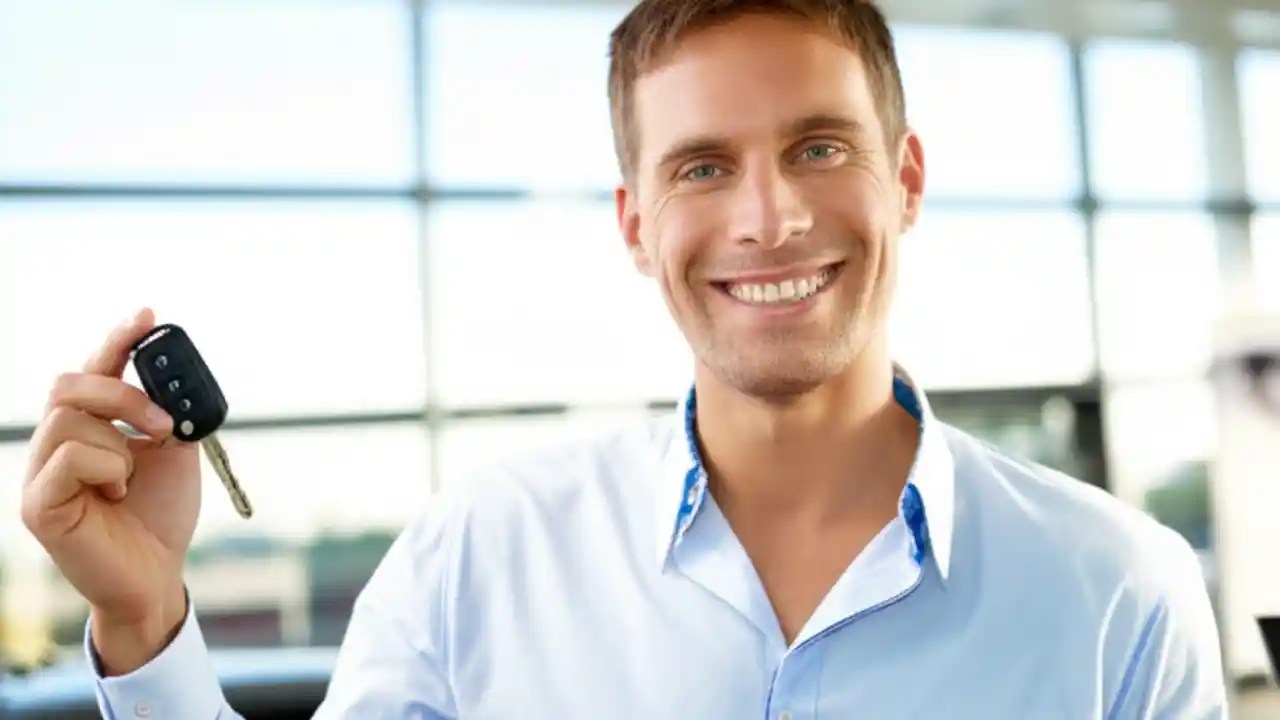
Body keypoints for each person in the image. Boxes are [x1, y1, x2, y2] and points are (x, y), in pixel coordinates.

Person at [21, 1, 1228, 717]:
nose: (768, 219)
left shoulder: (1119, 590)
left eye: (817, 148)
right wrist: (147, 619)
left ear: (903, 180)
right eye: (702, 166)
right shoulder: (479, 554)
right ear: (635, 223)